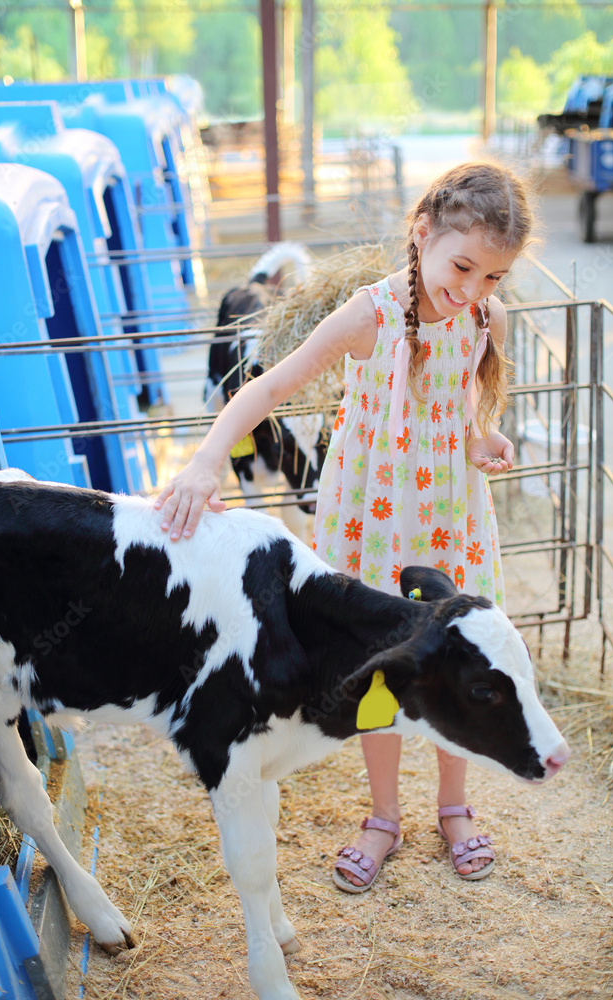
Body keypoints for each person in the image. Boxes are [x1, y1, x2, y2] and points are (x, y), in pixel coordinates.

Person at [154, 161, 532, 891]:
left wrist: (482, 440)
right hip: (374, 518)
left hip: (451, 514)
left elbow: (462, 412)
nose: (473, 289)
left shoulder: (484, 317)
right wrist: (205, 460)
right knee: (383, 664)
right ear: (421, 233)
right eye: (462, 266)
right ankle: (383, 816)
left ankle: (454, 807)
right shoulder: (372, 314)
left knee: (457, 653)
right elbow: (268, 384)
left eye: (492, 276)